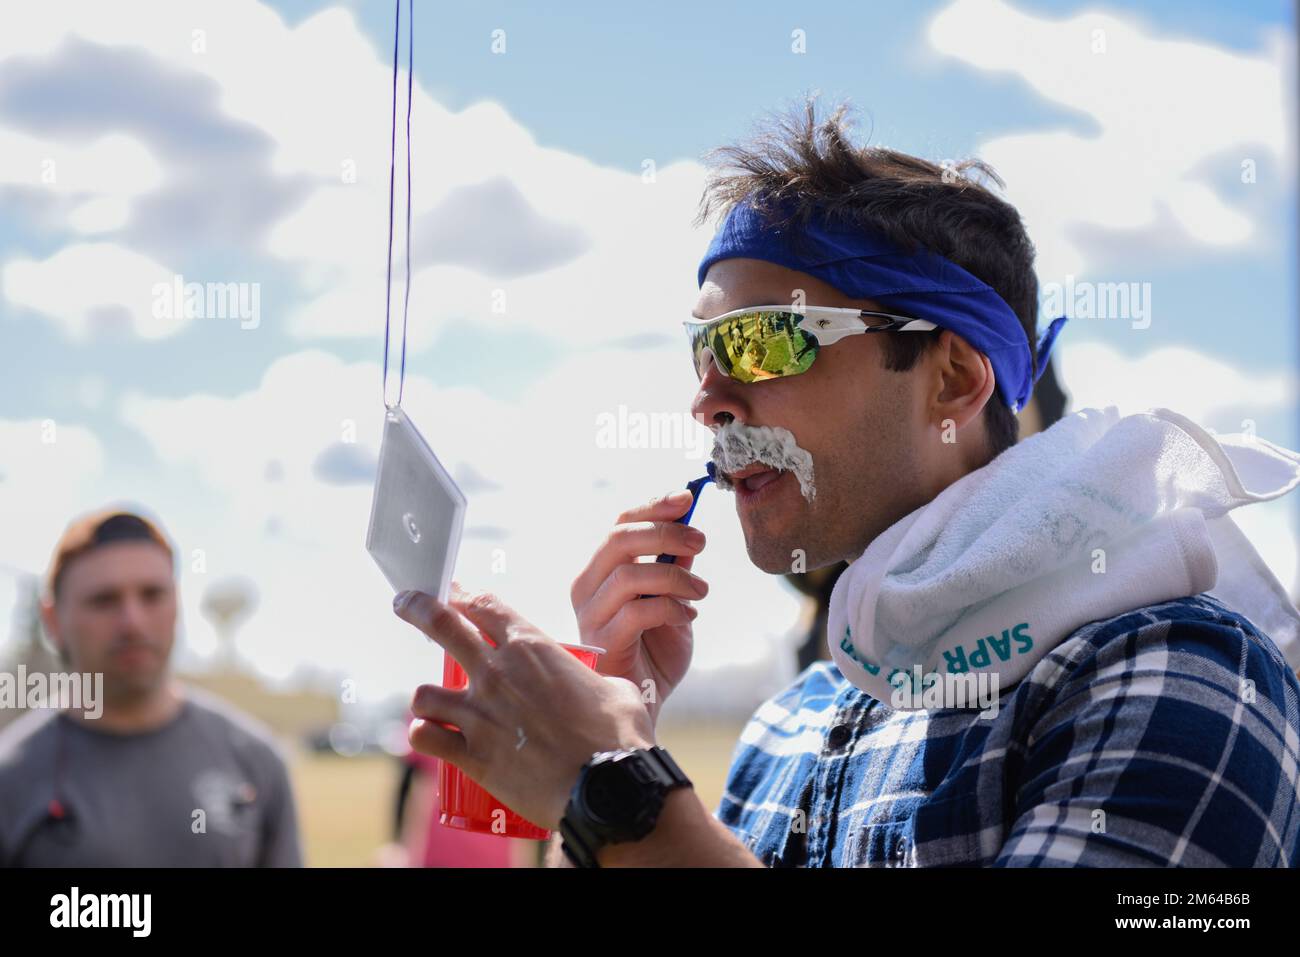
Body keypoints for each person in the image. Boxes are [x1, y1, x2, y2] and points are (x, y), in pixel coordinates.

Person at [389, 96, 1300, 868]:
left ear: (951, 379)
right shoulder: (791, 722)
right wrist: (620, 752)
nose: (711, 398)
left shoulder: (1180, 671)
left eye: (760, 340)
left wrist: (615, 788)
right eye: (703, 348)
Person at [0, 508, 303, 866]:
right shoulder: (12, 777)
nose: (132, 621)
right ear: (53, 619)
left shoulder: (255, 761)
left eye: (152, 595)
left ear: (177, 602)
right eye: (104, 600)